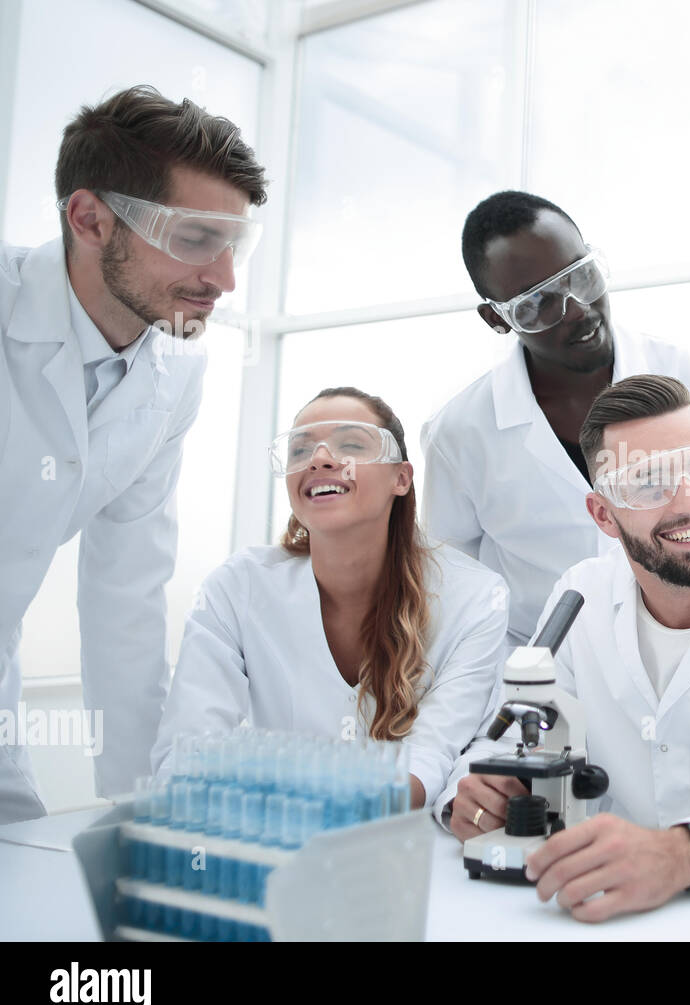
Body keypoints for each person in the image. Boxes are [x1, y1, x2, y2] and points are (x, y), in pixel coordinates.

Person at [0, 86, 266, 822]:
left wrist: (146, 811)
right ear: (89, 219)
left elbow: (126, 595)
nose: (223, 280)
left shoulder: (177, 369)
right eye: (193, 240)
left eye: (234, 245)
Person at [447, 375, 690, 921]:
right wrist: (472, 795)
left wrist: (684, 852)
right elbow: (511, 732)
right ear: (603, 515)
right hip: (610, 913)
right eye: (648, 483)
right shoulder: (581, 595)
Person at [151, 388, 508, 816]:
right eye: (300, 449)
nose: (319, 458)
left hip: (400, 850)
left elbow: (430, 754)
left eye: (352, 444)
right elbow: (186, 752)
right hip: (267, 846)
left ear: (402, 478)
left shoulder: (475, 597)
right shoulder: (237, 587)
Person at [421, 191, 690, 647]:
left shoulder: (681, 372)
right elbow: (449, 583)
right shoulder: (460, 433)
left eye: (581, 276)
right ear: (497, 319)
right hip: (538, 665)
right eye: (538, 302)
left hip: (685, 641)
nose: (578, 310)